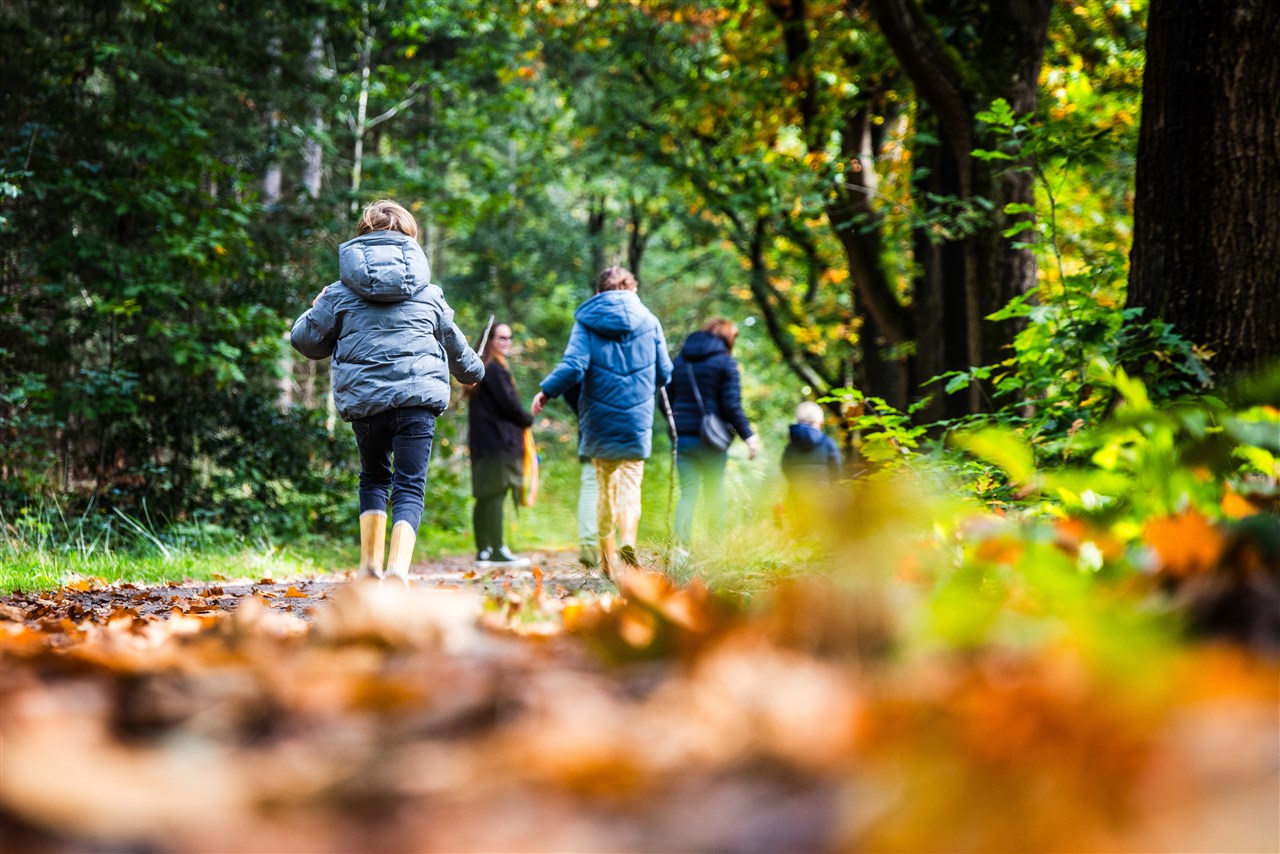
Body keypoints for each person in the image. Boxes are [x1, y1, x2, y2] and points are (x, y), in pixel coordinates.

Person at [290, 199, 484, 585]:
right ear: (410, 237)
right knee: (409, 483)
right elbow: (461, 354)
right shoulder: (430, 294)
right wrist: (475, 371)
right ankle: (397, 570)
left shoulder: (339, 292)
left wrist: (314, 308)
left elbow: (306, 342)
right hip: (417, 403)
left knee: (374, 477)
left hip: (365, 403)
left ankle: (369, 567)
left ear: (363, 236)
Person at [531, 266, 672, 578]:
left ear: (600, 292)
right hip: (637, 418)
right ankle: (628, 540)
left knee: (605, 487)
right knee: (631, 485)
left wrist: (546, 392)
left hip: (598, 418)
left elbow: (574, 367)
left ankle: (608, 564)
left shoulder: (587, 321)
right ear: (632, 289)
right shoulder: (650, 321)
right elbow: (664, 373)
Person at [666, 318, 759, 546]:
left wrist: (676, 424)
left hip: (682, 437)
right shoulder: (725, 363)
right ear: (727, 337)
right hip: (711, 440)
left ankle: (681, 549)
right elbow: (731, 405)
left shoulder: (679, 361)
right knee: (714, 490)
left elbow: (665, 399)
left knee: (687, 493)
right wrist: (749, 436)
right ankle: (715, 547)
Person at [465, 323, 533, 568]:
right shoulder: (493, 370)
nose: (506, 342)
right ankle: (495, 550)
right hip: (497, 443)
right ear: (489, 340)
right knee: (494, 495)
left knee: (485, 495)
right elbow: (509, 405)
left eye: (509, 338)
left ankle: (484, 551)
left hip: (484, 443)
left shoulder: (481, 369)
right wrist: (528, 419)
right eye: (501, 338)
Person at [781, 401, 843, 486]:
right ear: (820, 420)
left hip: (796, 495)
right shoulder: (828, 443)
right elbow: (837, 471)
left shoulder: (791, 446)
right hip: (823, 496)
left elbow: (786, 469)